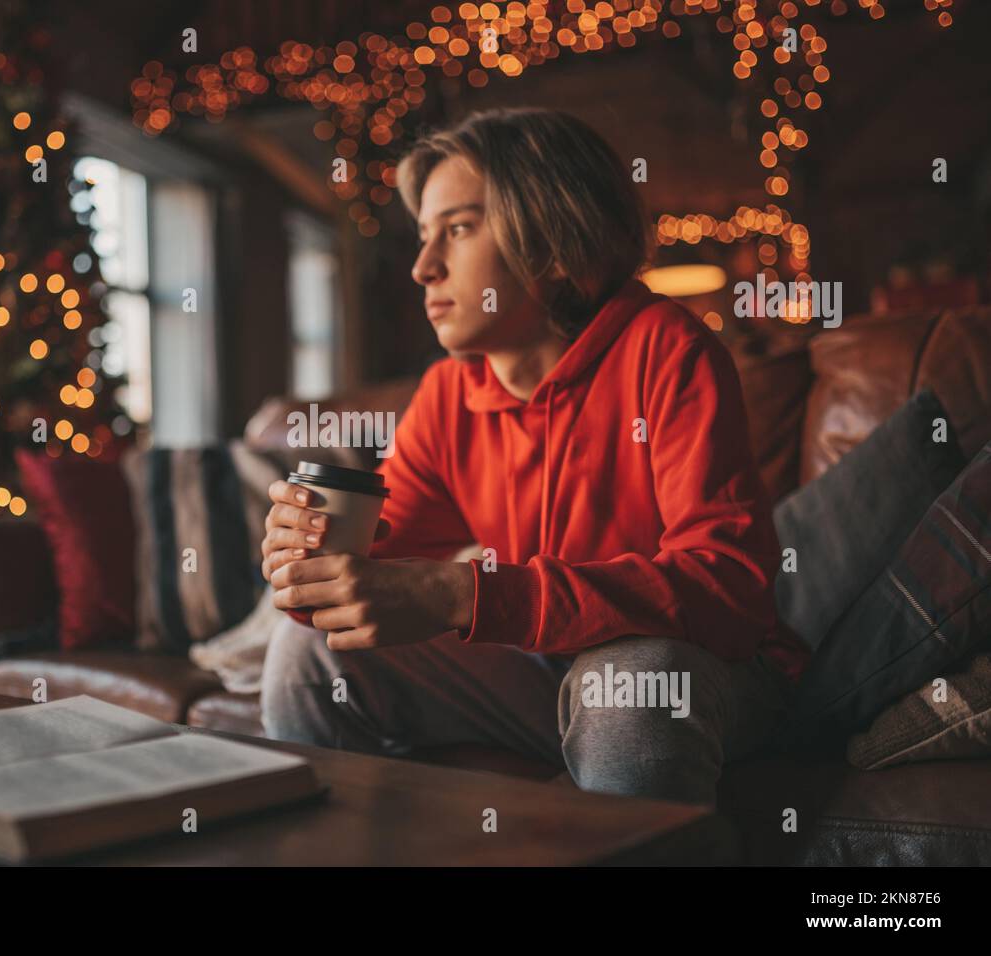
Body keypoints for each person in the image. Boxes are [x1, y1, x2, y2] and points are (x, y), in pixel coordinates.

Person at [258, 107, 811, 807]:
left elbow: (726, 593)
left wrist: (469, 593)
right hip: (544, 665)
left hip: (714, 672)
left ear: (552, 243)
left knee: (625, 683)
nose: (423, 266)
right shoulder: (451, 392)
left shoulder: (669, 352)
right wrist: (307, 558)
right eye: (425, 236)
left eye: (457, 229)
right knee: (304, 658)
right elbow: (377, 561)